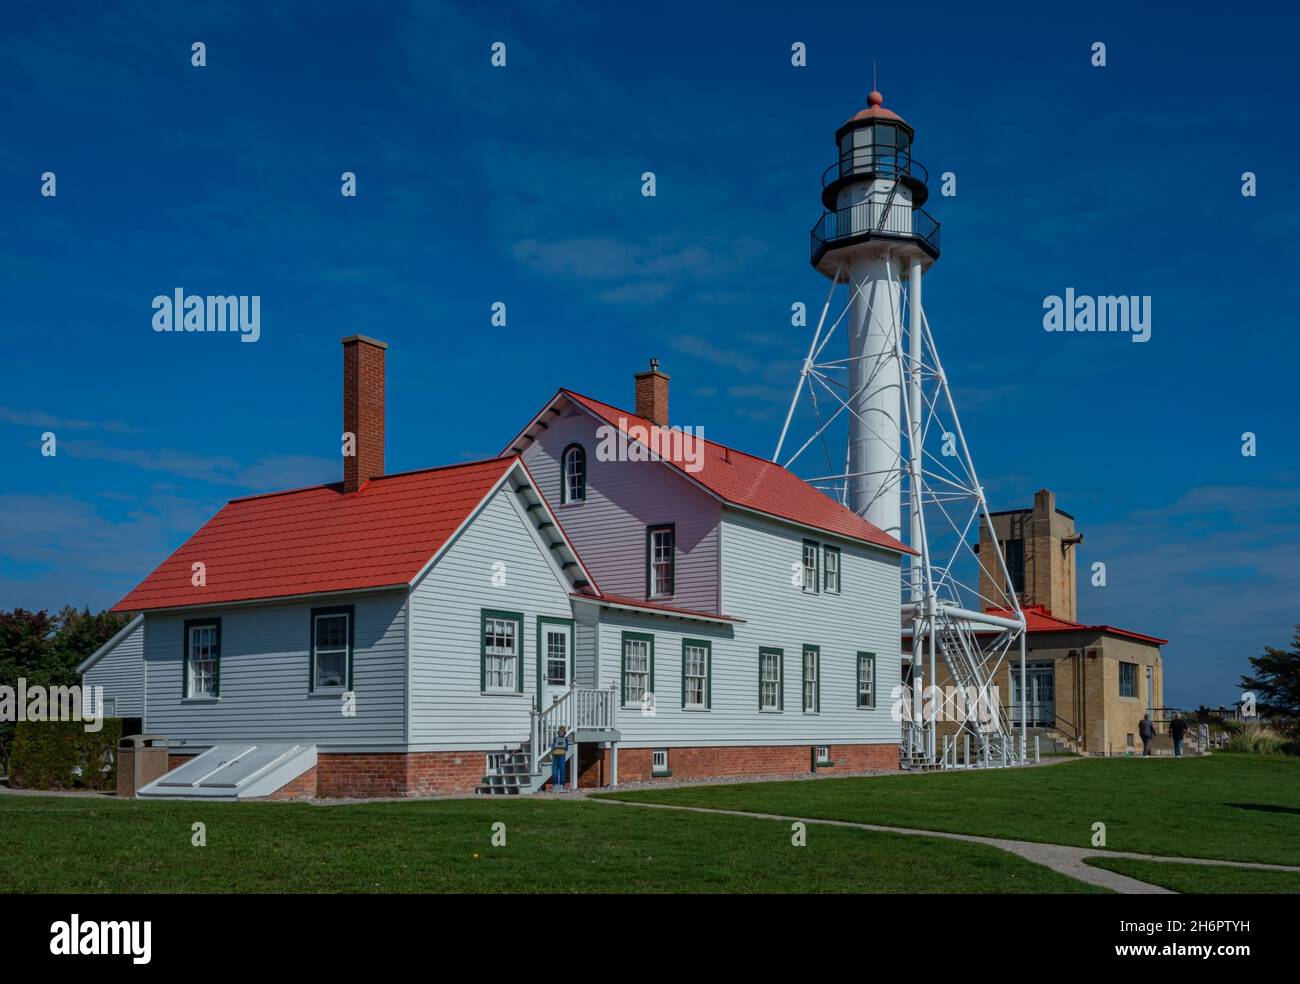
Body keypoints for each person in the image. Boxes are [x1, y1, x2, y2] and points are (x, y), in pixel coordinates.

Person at [550, 725, 569, 791]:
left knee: (562, 770)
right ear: (558, 731)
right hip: (555, 755)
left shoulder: (566, 739)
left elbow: (566, 748)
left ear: (564, 732)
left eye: (562, 731)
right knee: (555, 771)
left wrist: (562, 746)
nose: (561, 732)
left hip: (562, 755)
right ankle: (555, 785)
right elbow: (553, 746)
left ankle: (562, 785)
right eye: (560, 730)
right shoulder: (555, 738)